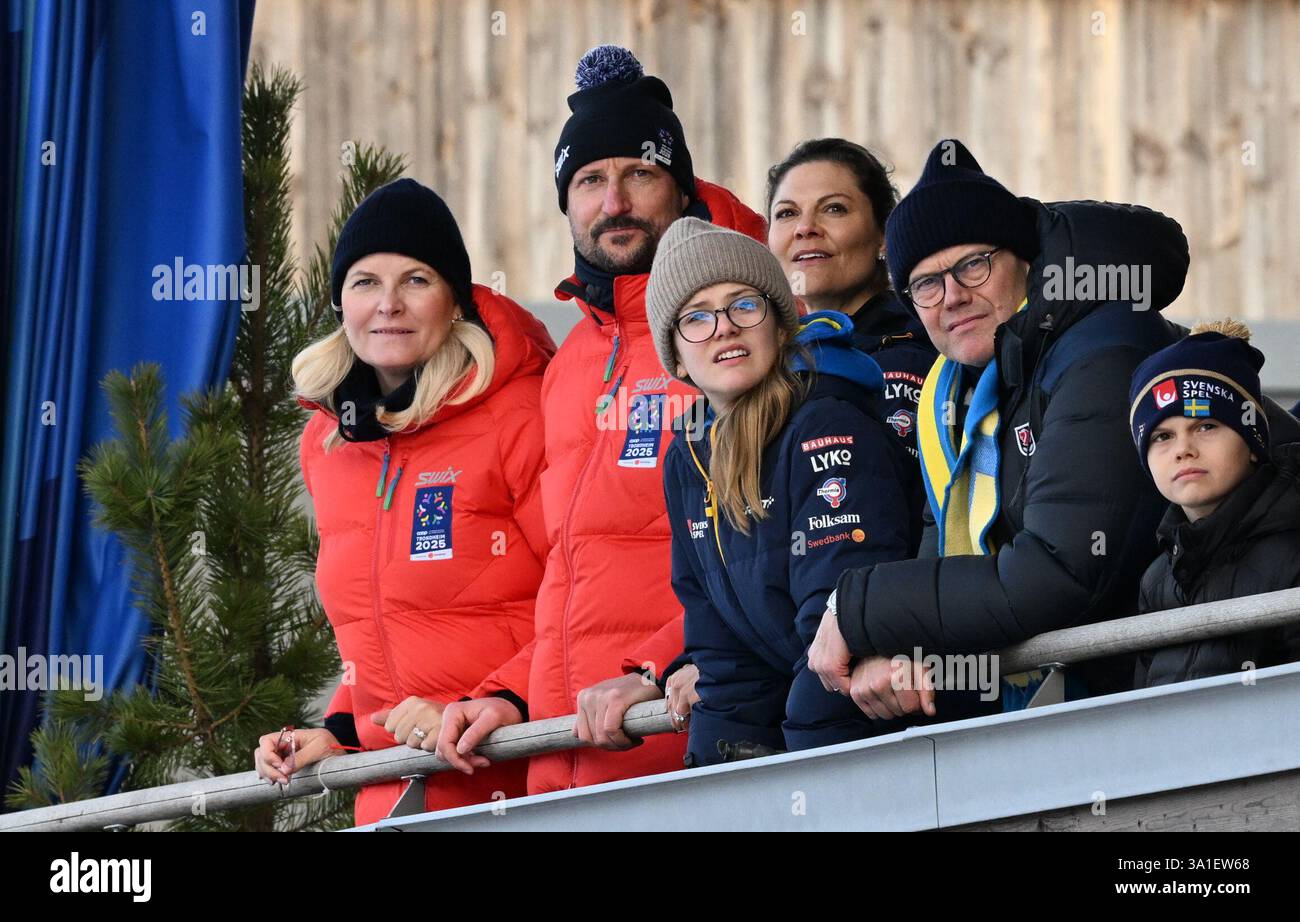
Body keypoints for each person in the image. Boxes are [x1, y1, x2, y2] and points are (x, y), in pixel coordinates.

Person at [435, 46, 768, 792]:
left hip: (683, 745)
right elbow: (572, 581)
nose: (612, 199)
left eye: (639, 173)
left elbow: (773, 549)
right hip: (561, 761)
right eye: (589, 179)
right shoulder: (570, 365)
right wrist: (511, 692)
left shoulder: (735, 331)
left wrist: (659, 667)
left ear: (681, 191)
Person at [808, 137, 1200, 718]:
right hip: (1062, 690)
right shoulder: (953, 387)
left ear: (1023, 261)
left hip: (1158, 697)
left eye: (973, 265)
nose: (953, 297)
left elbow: (1059, 574)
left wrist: (859, 608)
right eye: (926, 284)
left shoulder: (1102, 349)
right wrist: (891, 646)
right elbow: (934, 548)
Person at [254, 178, 555, 826]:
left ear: (455, 301)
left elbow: (583, 594)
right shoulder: (329, 444)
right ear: (341, 302)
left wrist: (491, 701)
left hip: (515, 780)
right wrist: (339, 727)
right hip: (392, 795)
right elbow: (384, 631)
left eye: (416, 280)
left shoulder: (520, 416)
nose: (388, 304)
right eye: (365, 282)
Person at [646, 217, 919, 764]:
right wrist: (721, 774)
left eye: (744, 305)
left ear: (781, 323)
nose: (724, 327)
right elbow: (725, 653)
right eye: (696, 317)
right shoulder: (687, 457)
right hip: (809, 703)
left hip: (871, 712)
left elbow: (839, 628)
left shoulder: (826, 426)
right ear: (675, 356)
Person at [1128, 320, 1300, 686]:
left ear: (1253, 444)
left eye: (1206, 426)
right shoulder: (1156, 578)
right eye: (1162, 436)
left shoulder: (1292, 554)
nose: (1183, 450)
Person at [766, 138, 937, 489]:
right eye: (787, 213)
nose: (804, 227)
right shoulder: (761, 356)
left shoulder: (913, 354)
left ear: (883, 235)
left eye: (834, 209)